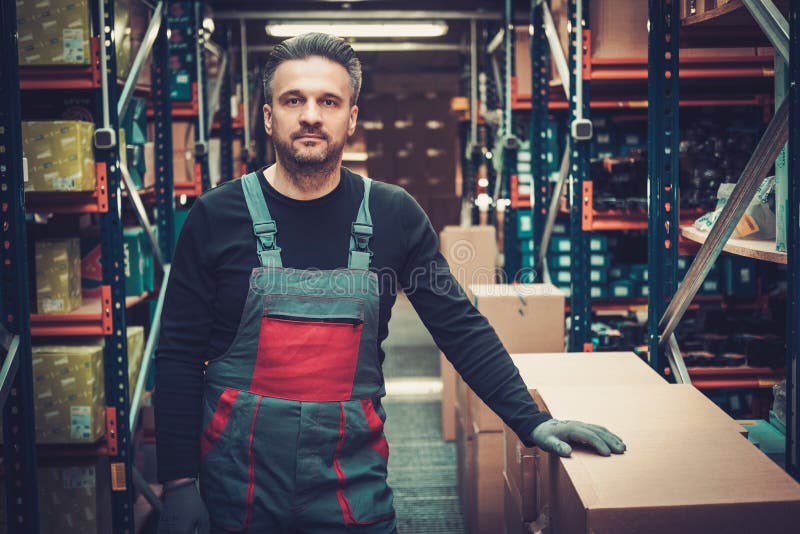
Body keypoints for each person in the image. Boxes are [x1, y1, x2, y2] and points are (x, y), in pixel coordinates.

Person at [155, 32, 626, 534]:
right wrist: (179, 483)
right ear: (269, 116)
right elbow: (179, 354)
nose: (311, 115)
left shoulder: (392, 214)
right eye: (293, 100)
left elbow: (458, 326)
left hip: (349, 484)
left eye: (328, 101)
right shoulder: (215, 216)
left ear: (351, 117)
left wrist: (530, 420)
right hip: (237, 485)